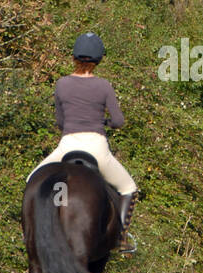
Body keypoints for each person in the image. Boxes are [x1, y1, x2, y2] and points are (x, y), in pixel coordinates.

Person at [28, 32, 138, 253]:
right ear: (98, 60)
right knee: (129, 188)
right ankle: (121, 238)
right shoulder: (104, 85)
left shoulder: (61, 84)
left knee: (32, 180)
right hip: (96, 148)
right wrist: (104, 121)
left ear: (74, 57)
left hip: (67, 145)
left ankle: (31, 232)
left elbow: (60, 121)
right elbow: (118, 121)